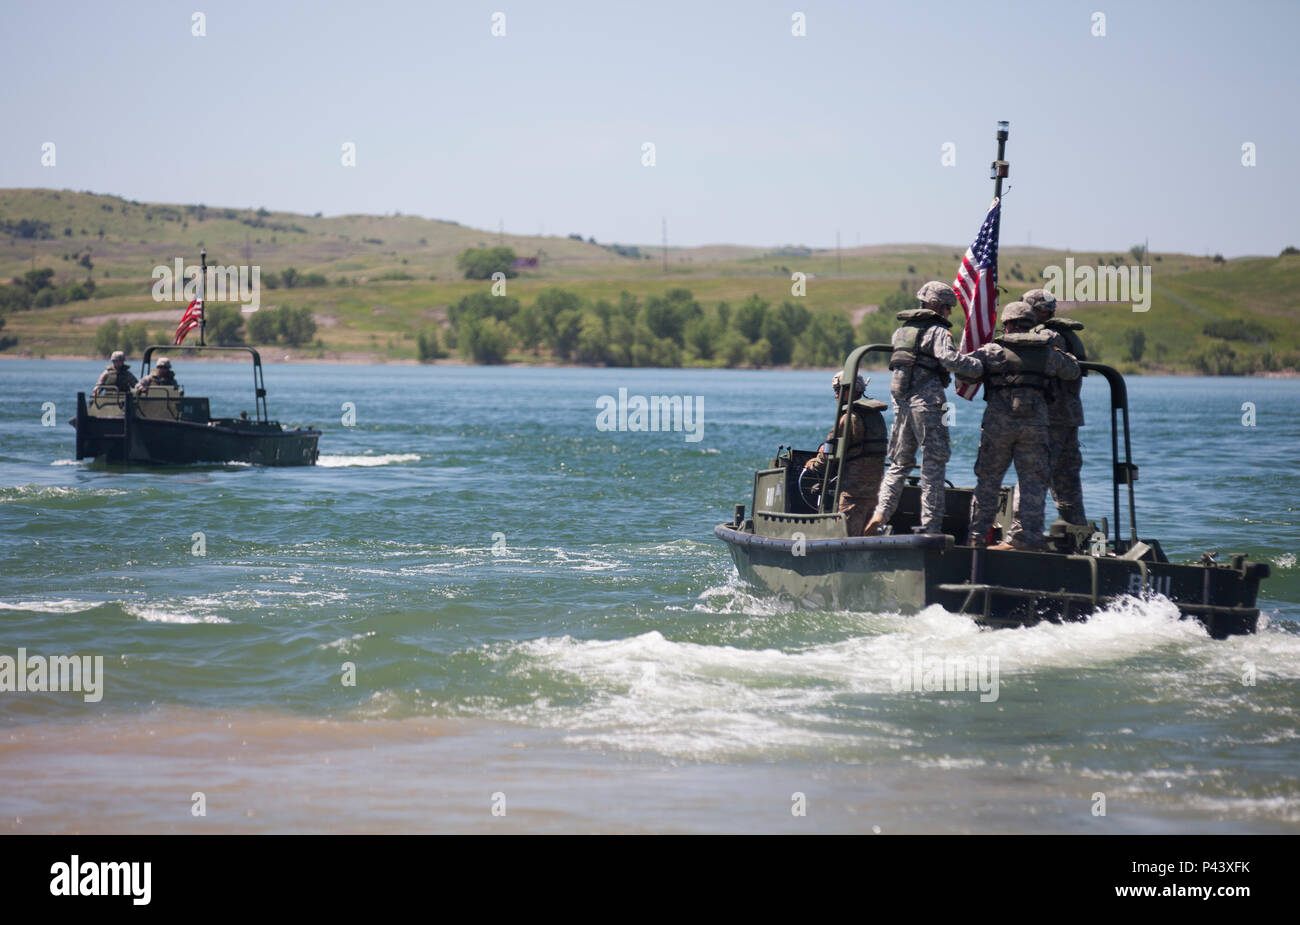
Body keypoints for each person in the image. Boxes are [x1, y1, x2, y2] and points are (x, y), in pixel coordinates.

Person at [864, 281, 982, 536]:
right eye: (948, 308)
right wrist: (977, 367)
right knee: (934, 464)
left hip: (901, 406)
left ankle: (881, 513)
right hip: (928, 406)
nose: (949, 313)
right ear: (937, 306)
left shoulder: (901, 332)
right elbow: (949, 359)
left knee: (899, 464)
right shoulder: (939, 332)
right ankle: (931, 525)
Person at [962, 301, 1081, 550]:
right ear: (1031, 324)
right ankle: (1028, 539)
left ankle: (976, 538)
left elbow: (967, 372)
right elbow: (1072, 370)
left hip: (998, 427)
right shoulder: (1048, 353)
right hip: (1035, 427)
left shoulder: (993, 352)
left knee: (988, 481)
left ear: (1006, 325)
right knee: (1033, 483)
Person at [1021, 287, 1088, 526]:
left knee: (1038, 472)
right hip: (1069, 416)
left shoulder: (1048, 336)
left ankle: (1025, 531)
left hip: (1052, 417)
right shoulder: (1065, 335)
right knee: (1067, 478)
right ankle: (1075, 530)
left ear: (1036, 311)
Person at [803, 372, 888, 535]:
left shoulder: (847, 418)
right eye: (835, 389)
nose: (836, 393)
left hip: (852, 494)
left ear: (854, 389)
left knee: (846, 538)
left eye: (840, 389)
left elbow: (828, 456)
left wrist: (811, 465)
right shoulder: (876, 416)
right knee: (869, 538)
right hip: (876, 492)